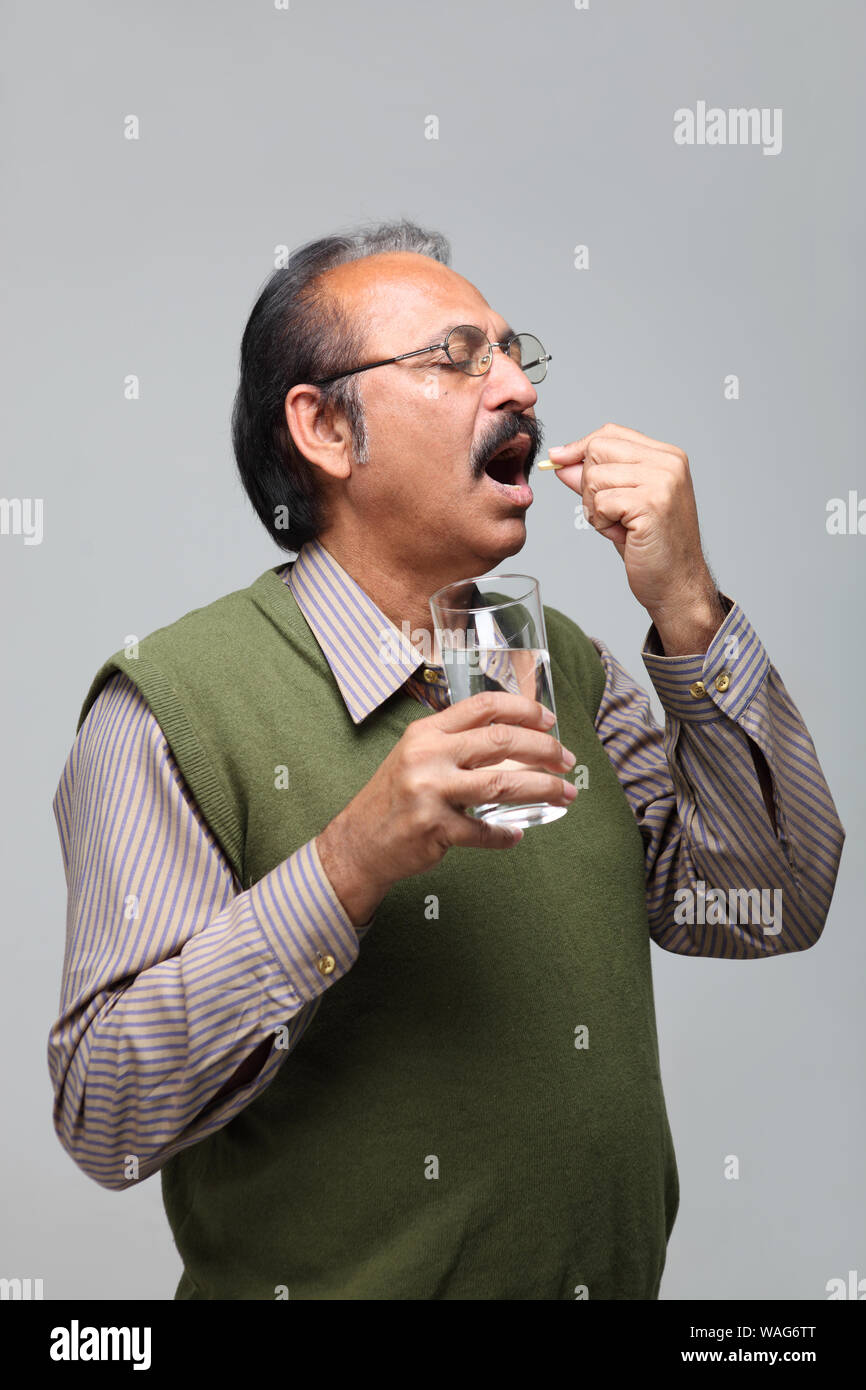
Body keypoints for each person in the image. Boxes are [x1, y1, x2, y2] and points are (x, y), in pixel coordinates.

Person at [49, 219, 844, 1300]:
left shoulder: (560, 664)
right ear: (325, 427)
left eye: (516, 353)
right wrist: (349, 861)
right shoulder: (170, 703)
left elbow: (764, 903)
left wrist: (686, 605)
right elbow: (107, 1116)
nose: (515, 386)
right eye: (457, 356)